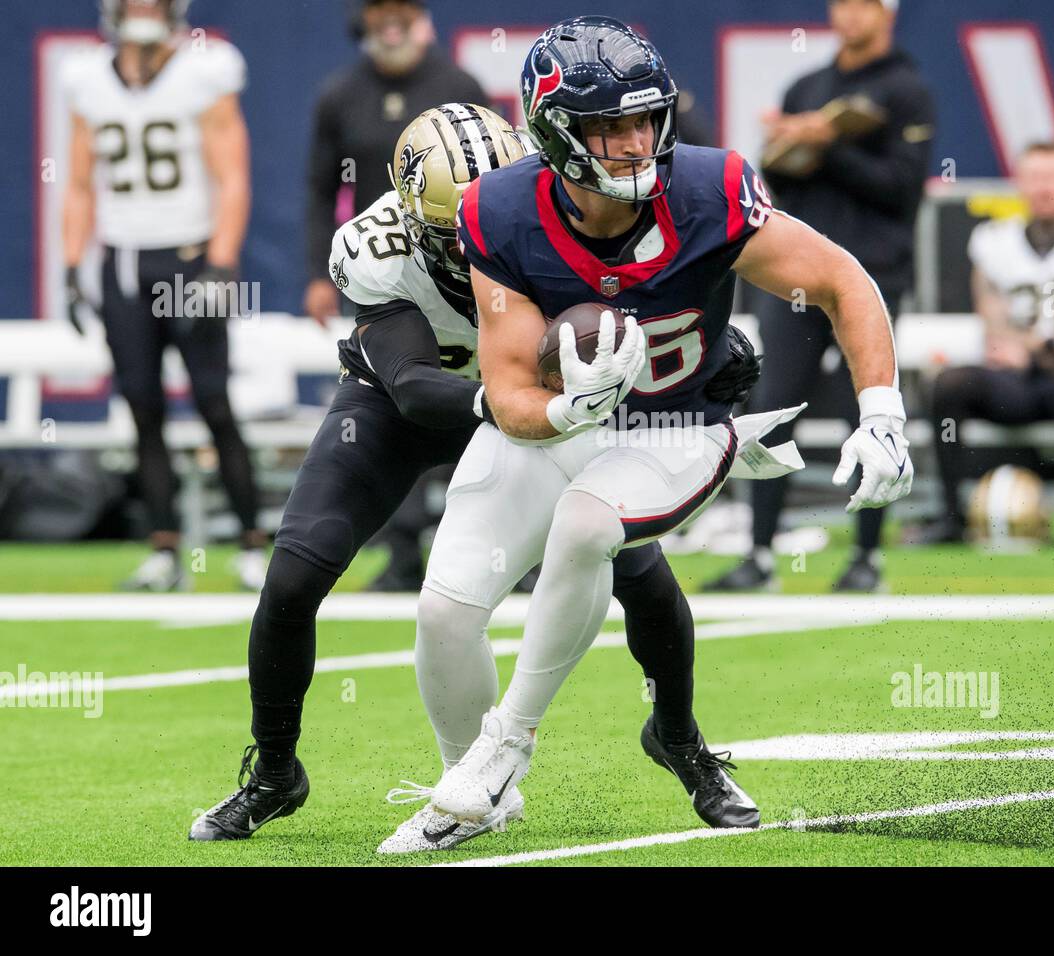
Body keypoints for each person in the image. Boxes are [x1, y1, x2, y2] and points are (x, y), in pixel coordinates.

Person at [189, 104, 757, 851]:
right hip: (415, 404)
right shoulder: (375, 248)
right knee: (294, 575)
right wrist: (515, 404)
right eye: (458, 231)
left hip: (533, 401)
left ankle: (679, 737)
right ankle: (274, 774)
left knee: (633, 562)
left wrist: (710, 355)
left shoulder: (552, 208)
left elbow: (630, 308)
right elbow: (413, 384)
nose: (479, 239)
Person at [416, 17, 912, 832]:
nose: (636, 142)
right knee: (443, 611)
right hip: (564, 424)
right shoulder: (500, 212)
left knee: (584, 527)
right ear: (556, 131)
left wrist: (883, 410)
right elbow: (508, 390)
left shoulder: (705, 191)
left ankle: (508, 741)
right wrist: (566, 408)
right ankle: (470, 795)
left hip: (676, 426)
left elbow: (841, 280)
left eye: (646, 119)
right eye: (610, 127)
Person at [705, 0, 933, 593]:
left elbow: (900, 190)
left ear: (887, 13)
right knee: (774, 402)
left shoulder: (907, 89)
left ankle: (866, 557)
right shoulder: (808, 85)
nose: (848, 14)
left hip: (868, 277)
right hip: (797, 277)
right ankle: (759, 554)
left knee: (875, 406)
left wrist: (829, 143)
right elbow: (772, 190)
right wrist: (790, 144)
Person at [62, 0, 265, 591]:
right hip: (123, 260)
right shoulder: (88, 78)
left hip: (189, 256)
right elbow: (77, 184)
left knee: (213, 402)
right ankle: (164, 550)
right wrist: (74, 263)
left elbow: (232, 174)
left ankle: (252, 544)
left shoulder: (206, 70)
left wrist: (222, 261)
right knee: (142, 409)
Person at [303, 0, 489, 592]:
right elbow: (318, 186)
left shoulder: (456, 85)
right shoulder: (340, 93)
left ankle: (502, 547)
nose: (389, 23)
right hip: (390, 274)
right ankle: (403, 549)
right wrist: (315, 272)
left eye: (399, 9)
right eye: (377, 10)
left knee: (473, 400)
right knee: (399, 397)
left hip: (464, 272)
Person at [922, 142, 1054, 546]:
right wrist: (1044, 347)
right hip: (1019, 381)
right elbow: (993, 327)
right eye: (1035, 179)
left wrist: (1036, 347)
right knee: (949, 384)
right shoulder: (993, 241)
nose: (1044, 189)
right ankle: (950, 515)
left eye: (1053, 178)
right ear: (1019, 185)